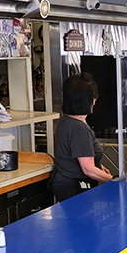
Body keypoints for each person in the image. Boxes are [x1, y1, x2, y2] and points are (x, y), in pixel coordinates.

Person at [52, 72, 112, 202]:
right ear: (86, 100)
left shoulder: (66, 121)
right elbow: (88, 169)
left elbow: (76, 157)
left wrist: (99, 168)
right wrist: (113, 181)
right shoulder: (80, 128)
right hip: (75, 188)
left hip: (64, 184)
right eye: (94, 97)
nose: (95, 101)